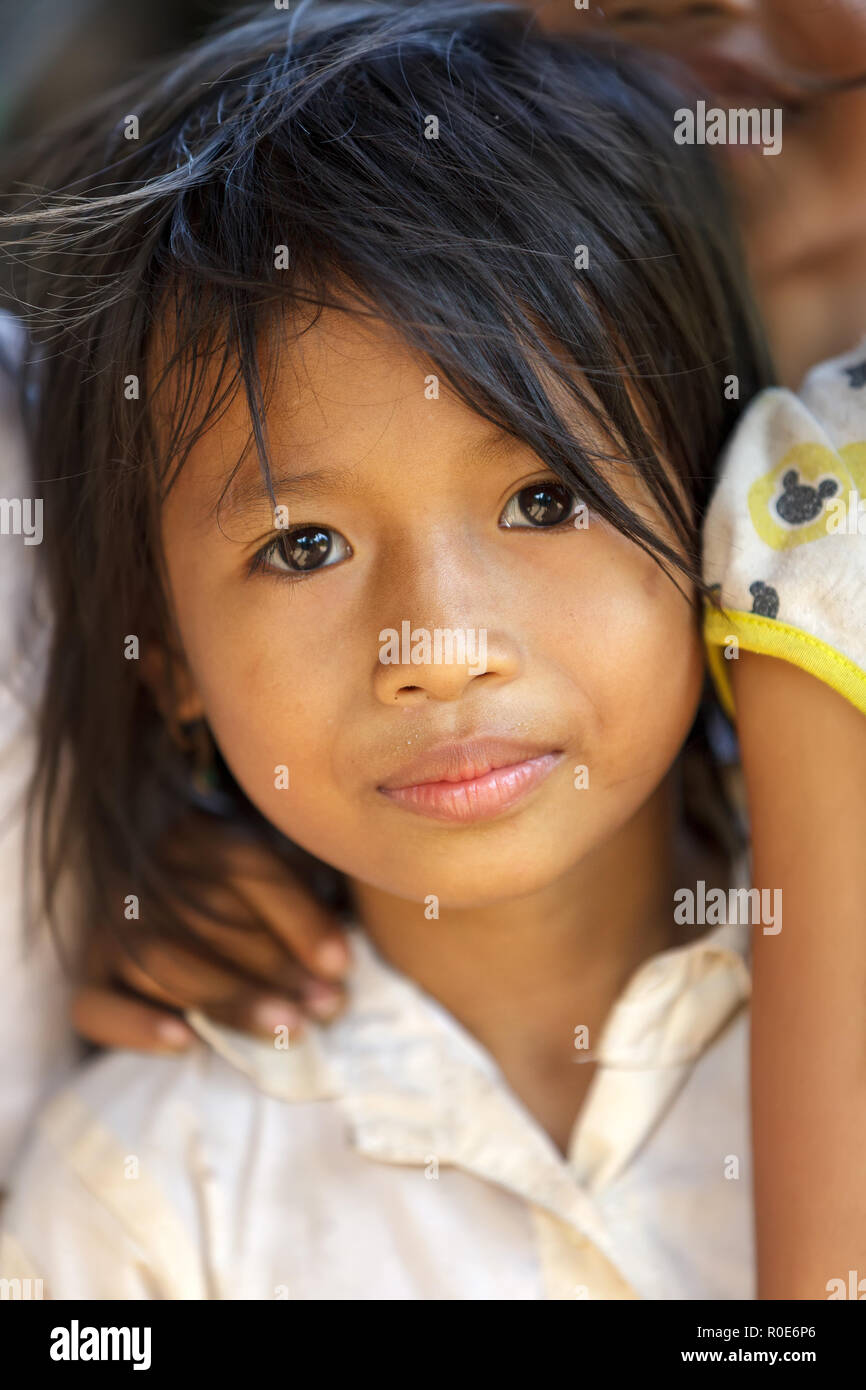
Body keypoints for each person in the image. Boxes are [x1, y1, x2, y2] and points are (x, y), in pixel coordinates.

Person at [0, 0, 779, 1297]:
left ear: (716, 513)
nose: (437, 646)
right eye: (302, 546)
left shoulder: (837, 972)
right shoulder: (138, 1193)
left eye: (544, 499)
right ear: (167, 653)